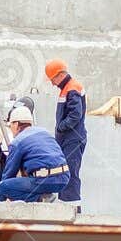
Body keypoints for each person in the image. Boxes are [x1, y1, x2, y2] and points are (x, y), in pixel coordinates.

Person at [0, 105, 70, 202]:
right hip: (64, 178)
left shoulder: (17, 142)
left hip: (44, 180)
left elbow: (9, 174)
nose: (11, 130)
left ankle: (41, 199)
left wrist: (1, 200)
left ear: (16, 124)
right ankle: (45, 195)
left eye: (10, 126)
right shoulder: (44, 132)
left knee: (4, 186)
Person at [44, 59, 87, 204]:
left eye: (52, 79)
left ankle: (73, 207)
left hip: (72, 139)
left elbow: (75, 115)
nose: (52, 83)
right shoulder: (67, 88)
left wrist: (61, 127)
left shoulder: (72, 88)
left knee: (70, 173)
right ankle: (65, 204)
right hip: (68, 139)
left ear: (60, 75)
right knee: (64, 172)